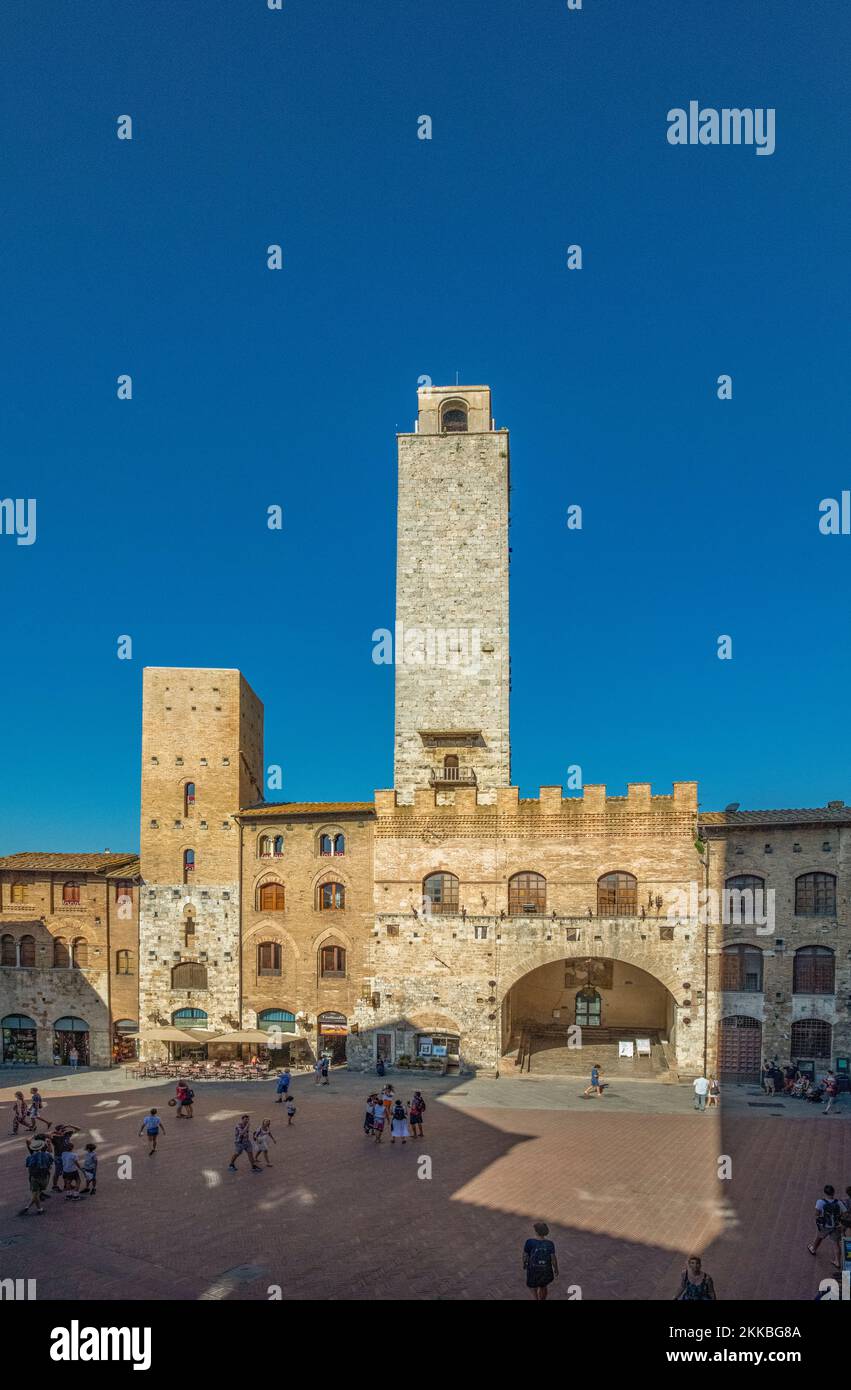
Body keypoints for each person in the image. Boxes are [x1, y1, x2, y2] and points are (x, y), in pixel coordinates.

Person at [809, 1185, 843, 1269]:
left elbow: (817, 1214)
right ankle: (837, 1262)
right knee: (836, 1244)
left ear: (825, 1193)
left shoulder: (820, 1202)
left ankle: (813, 1249)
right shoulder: (839, 1202)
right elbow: (844, 1213)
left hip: (825, 1225)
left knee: (819, 1237)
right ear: (833, 1192)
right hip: (836, 1226)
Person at [522, 1221, 558, 1301]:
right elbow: (553, 1258)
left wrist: (524, 1263)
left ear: (536, 1232)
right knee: (543, 1286)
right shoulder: (550, 1244)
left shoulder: (529, 1242)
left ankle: (535, 1298)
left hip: (533, 1269)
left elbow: (525, 1255)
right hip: (545, 1269)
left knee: (532, 1286)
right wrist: (556, 1269)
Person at [19, 1137, 53, 1216]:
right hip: (44, 1176)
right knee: (37, 1193)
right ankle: (35, 1208)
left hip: (34, 1176)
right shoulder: (47, 1155)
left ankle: (34, 1208)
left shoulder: (30, 1157)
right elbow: (50, 1164)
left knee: (35, 1193)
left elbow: (28, 1166)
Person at [48, 1124, 80, 1190]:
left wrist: (70, 1126)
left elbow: (78, 1129)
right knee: (57, 1172)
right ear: (57, 1131)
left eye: (64, 1129)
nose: (64, 1131)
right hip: (58, 1156)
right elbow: (48, 1135)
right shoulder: (55, 1138)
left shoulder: (67, 1134)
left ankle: (66, 1185)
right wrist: (54, 1132)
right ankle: (55, 1186)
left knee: (66, 1171)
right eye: (62, 1130)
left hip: (66, 1156)